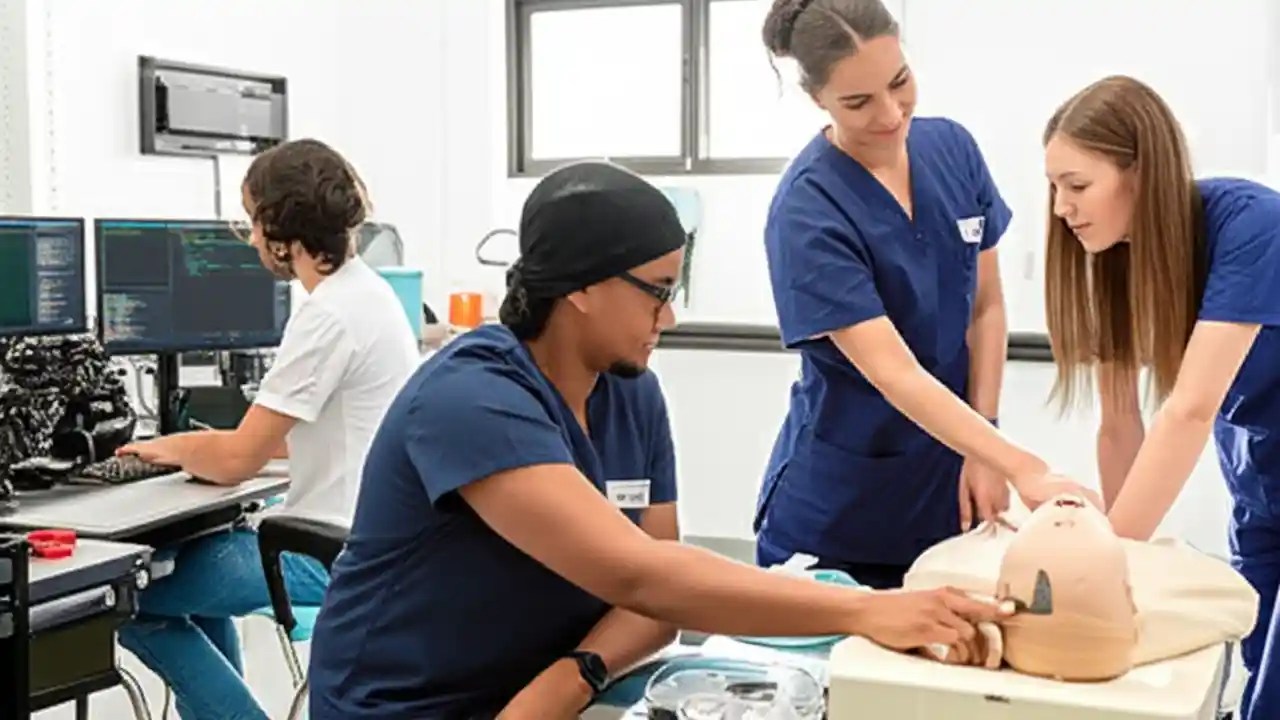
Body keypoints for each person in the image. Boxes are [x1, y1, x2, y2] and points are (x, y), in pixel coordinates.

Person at [307, 160, 1011, 720]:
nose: (668, 316)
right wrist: (868, 609)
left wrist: (572, 678)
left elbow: (657, 591)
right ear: (580, 287)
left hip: (532, 690)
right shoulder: (471, 400)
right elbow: (640, 574)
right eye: (657, 290)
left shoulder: (630, 392)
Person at [752, 0, 1098, 591]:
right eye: (858, 102)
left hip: (945, 492)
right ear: (818, 101)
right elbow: (895, 373)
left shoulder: (953, 150)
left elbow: (984, 307)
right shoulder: (808, 211)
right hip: (840, 514)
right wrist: (1024, 465)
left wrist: (985, 447)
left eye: (899, 82)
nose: (890, 114)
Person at [115, 139, 422, 720]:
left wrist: (170, 449)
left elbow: (238, 461)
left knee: (135, 599)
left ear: (283, 230)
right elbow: (290, 436)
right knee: (191, 574)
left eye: (254, 222)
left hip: (328, 552)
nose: (251, 239)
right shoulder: (367, 294)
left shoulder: (328, 315)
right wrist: (200, 449)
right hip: (374, 540)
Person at [1041, 73, 1280, 720]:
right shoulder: (1118, 256)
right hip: (1259, 473)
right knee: (1245, 648)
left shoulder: (1253, 224)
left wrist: (1108, 570)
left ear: (1141, 173)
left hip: (1254, 443)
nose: (1062, 208)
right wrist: (1124, 565)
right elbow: (1120, 422)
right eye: (1055, 187)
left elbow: (1188, 409)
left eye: (1078, 185)